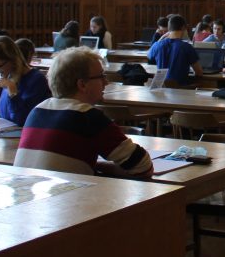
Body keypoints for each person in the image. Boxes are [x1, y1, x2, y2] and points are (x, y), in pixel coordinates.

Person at [14, 46, 153, 178]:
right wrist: (103, 167)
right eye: (101, 76)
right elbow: (143, 167)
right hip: (65, 199)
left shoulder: (37, 110)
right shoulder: (87, 117)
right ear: (82, 85)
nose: (106, 82)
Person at [0, 36, 52, 127]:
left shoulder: (37, 80)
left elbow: (22, 121)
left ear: (13, 60)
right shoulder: (8, 76)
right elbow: (9, 116)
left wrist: (12, 91)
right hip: (6, 136)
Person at [147, 14, 202, 85]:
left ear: (169, 28)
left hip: (160, 87)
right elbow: (199, 72)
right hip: (180, 89)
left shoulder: (157, 45)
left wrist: (162, 38)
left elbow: (149, 55)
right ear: (183, 28)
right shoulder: (187, 47)